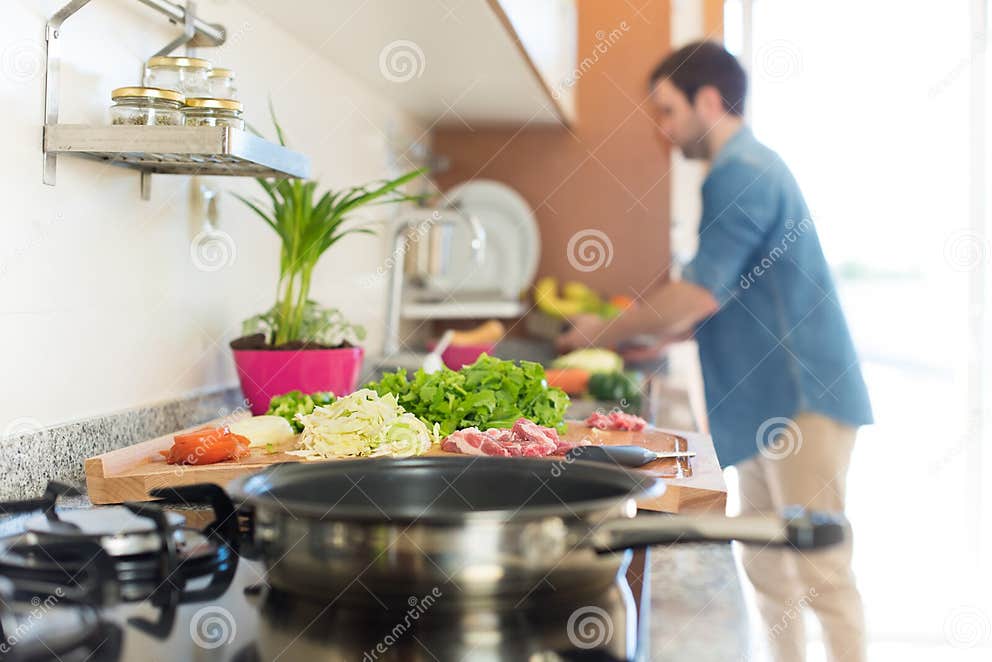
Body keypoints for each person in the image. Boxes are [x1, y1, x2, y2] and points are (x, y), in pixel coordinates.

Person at [557, 41, 873, 662]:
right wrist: (651, 330)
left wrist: (601, 334)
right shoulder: (739, 169)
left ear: (709, 100)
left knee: (819, 565)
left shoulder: (741, 171)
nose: (663, 128)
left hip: (799, 393)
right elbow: (723, 296)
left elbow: (699, 293)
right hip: (770, 397)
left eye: (668, 111)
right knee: (768, 557)